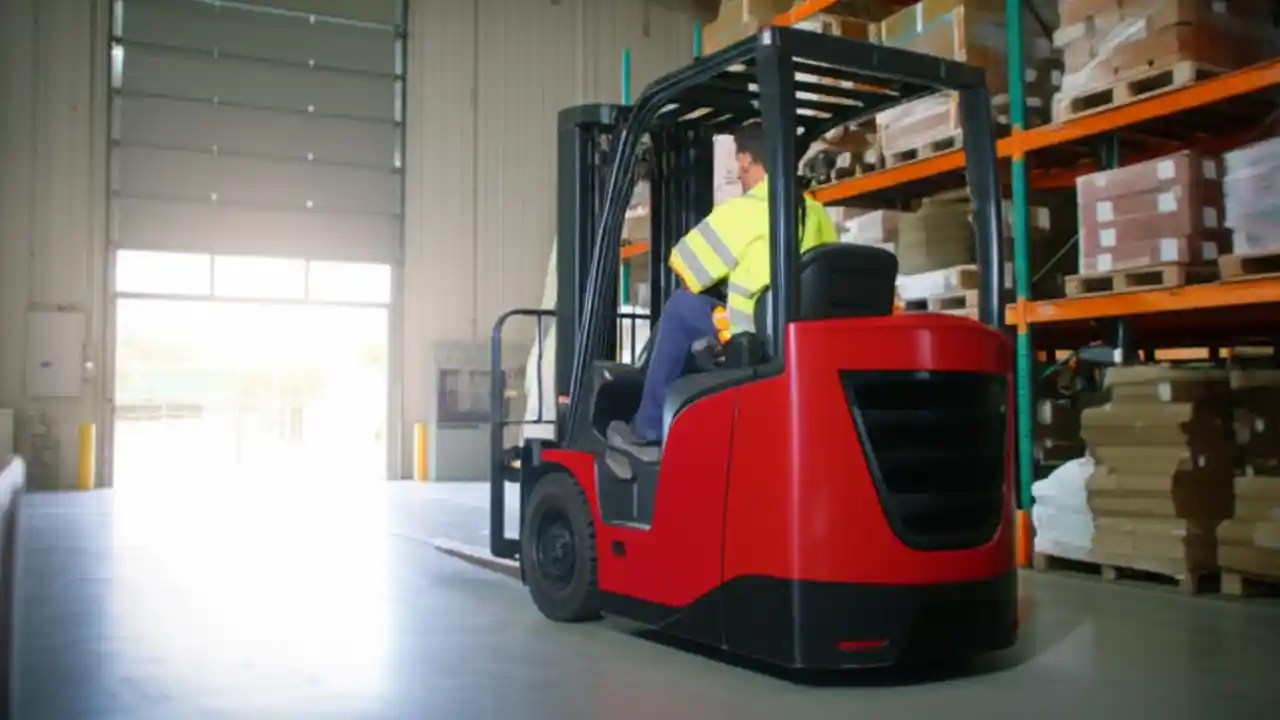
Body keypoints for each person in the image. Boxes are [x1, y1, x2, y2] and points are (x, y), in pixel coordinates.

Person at [608, 122, 837, 460]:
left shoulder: (745, 209)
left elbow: (684, 266)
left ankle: (649, 428)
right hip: (801, 341)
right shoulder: (815, 211)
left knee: (680, 308)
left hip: (754, 339)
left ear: (745, 160)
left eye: (738, 162)